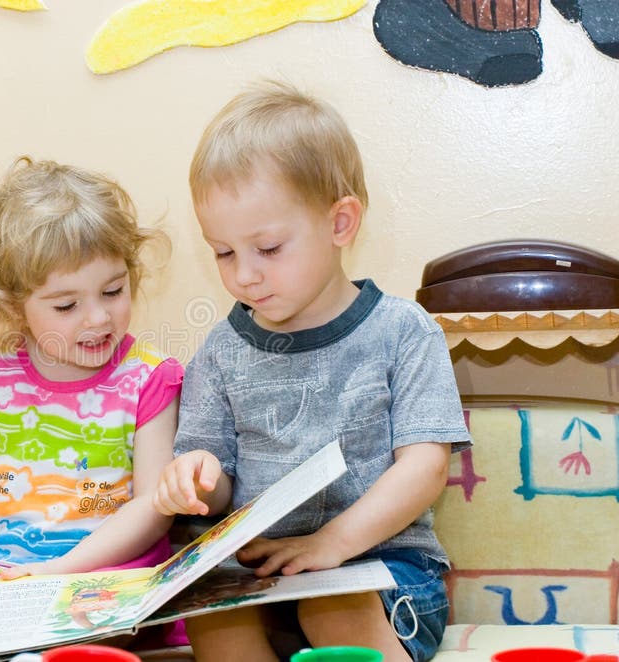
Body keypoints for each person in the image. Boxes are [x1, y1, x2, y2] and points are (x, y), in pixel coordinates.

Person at [152, 80, 471, 662]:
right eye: (223, 252)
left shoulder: (404, 331)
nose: (244, 275)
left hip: (381, 569)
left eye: (268, 249)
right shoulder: (220, 352)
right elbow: (218, 483)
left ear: (341, 223)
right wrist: (198, 476)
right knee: (212, 620)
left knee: (331, 608)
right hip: (261, 574)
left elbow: (425, 469)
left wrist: (333, 543)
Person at [0, 157, 182, 601]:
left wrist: (60, 571)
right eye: (66, 306)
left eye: (113, 291)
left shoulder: (148, 379)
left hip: (104, 575)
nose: (98, 317)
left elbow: (154, 504)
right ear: (13, 306)